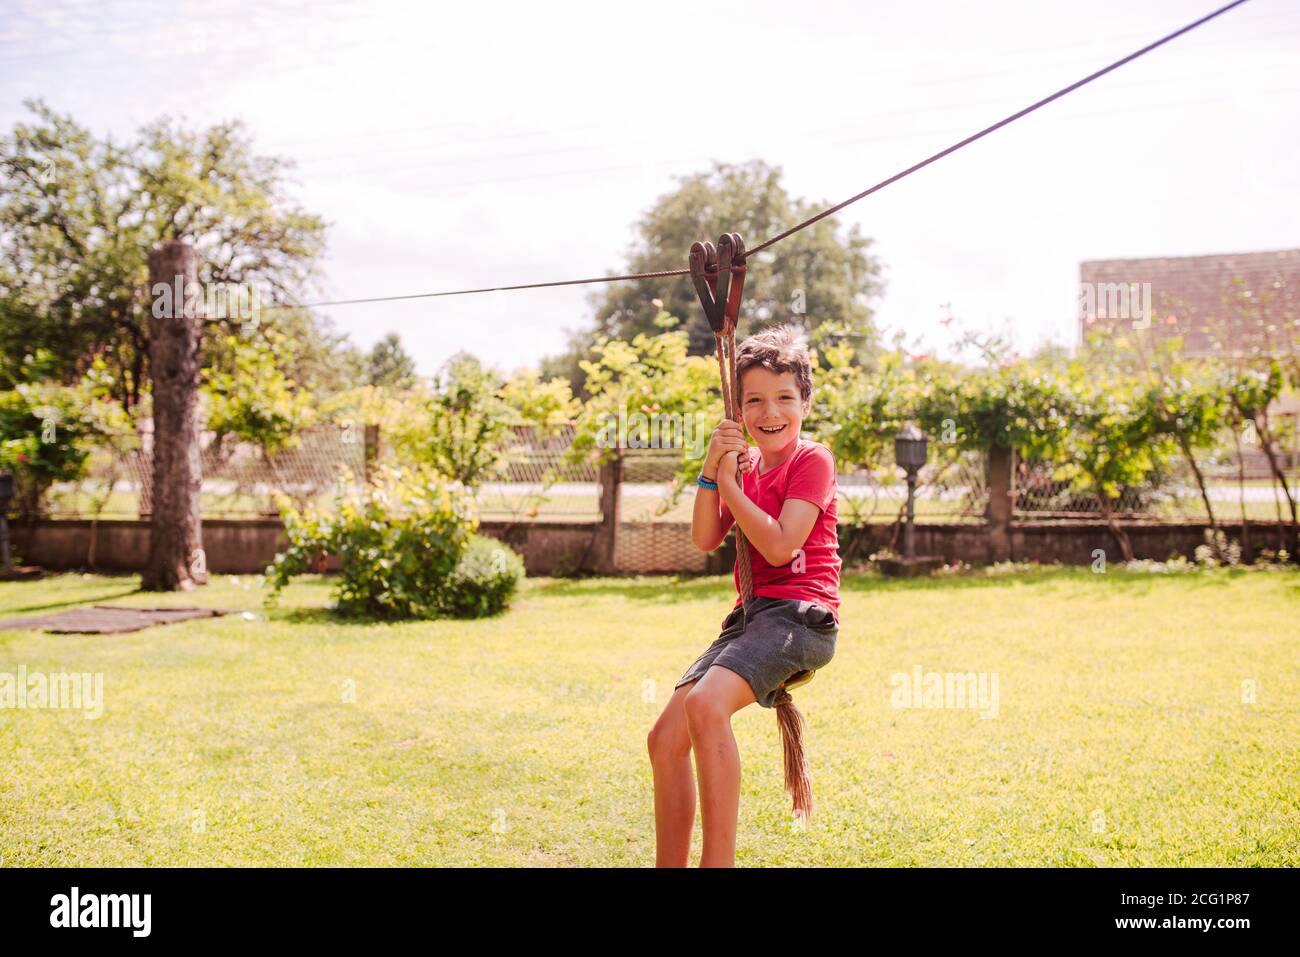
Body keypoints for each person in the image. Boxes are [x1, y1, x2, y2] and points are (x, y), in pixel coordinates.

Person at [647, 323, 842, 867]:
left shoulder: (812, 461)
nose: (769, 411)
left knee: (706, 706)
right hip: (751, 619)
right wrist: (713, 470)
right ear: (739, 411)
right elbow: (706, 537)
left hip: (801, 621)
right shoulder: (745, 466)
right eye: (753, 400)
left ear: (805, 402)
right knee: (664, 739)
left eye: (784, 397)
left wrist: (730, 483)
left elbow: (780, 548)